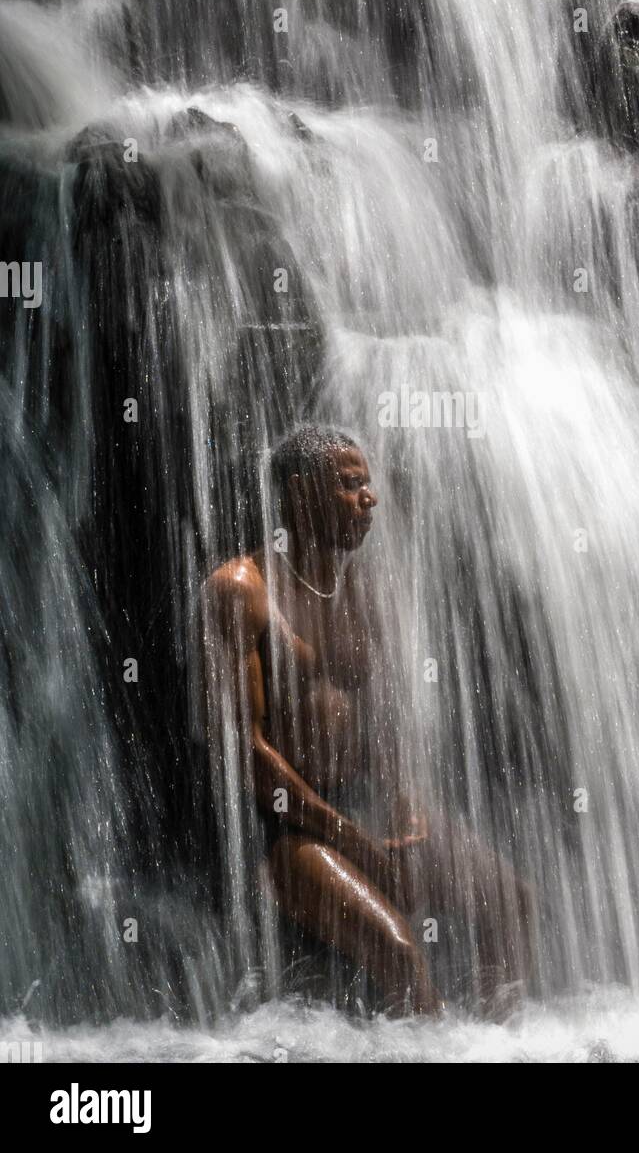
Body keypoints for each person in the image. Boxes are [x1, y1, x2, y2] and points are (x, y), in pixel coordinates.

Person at [202, 423, 534, 1015]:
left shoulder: (368, 593)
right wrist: (355, 841)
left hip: (367, 809)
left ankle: (496, 1042)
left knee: (511, 903)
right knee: (401, 954)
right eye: (351, 485)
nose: (370, 498)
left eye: (369, 484)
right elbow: (242, 750)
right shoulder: (240, 590)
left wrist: (405, 807)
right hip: (288, 834)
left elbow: (388, 718)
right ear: (301, 494)